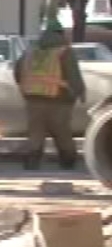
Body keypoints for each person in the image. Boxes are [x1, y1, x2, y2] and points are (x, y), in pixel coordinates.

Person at [14, 19, 85, 170]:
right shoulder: (65, 51)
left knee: (35, 132)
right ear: (60, 33)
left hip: (33, 99)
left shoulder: (31, 51)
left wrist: (27, 89)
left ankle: (32, 163)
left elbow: (18, 72)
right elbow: (74, 75)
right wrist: (79, 93)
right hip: (59, 100)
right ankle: (68, 162)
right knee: (62, 132)